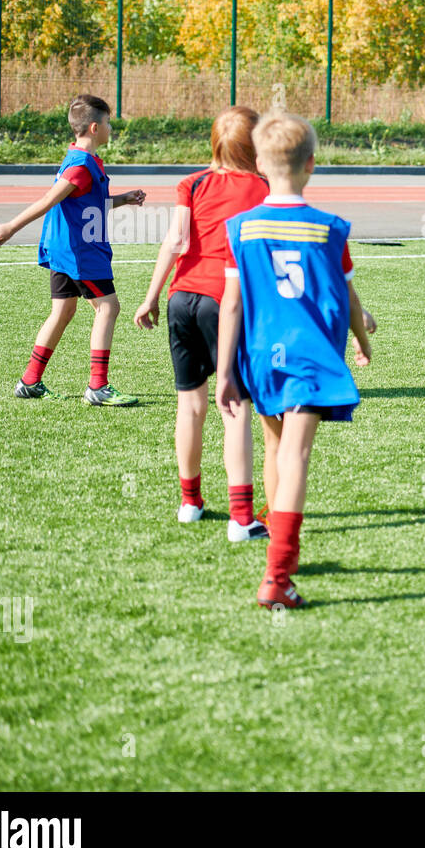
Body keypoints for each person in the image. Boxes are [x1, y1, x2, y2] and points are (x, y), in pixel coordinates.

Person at [216, 110, 376, 610]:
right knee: (297, 456)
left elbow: (234, 303)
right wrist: (362, 341)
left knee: (274, 447)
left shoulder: (240, 227)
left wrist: (224, 370)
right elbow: (348, 297)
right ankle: (278, 573)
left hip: (262, 356)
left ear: (260, 163)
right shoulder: (329, 229)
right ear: (311, 164)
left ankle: (277, 534)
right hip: (310, 357)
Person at [133, 107, 270, 539]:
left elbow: (176, 240)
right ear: (254, 146)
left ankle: (190, 502)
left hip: (181, 298)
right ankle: (242, 517)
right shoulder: (262, 187)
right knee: (234, 408)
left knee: (190, 405)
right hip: (224, 301)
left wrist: (151, 296)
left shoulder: (191, 183)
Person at [0, 94, 146, 403]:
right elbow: (48, 201)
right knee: (109, 307)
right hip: (79, 253)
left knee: (63, 310)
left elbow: (86, 203)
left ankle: (30, 382)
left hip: (63, 250)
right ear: (95, 128)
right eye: (109, 123)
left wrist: (123, 199)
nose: (112, 128)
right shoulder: (82, 164)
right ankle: (98, 387)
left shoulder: (79, 158)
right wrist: (10, 228)